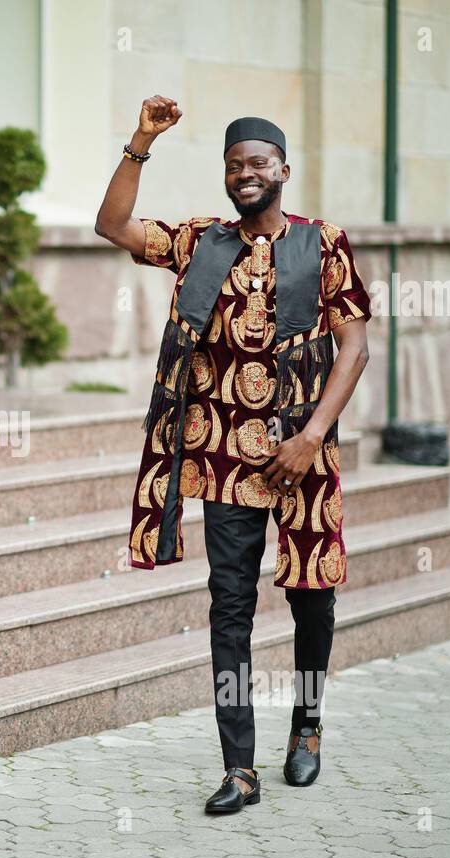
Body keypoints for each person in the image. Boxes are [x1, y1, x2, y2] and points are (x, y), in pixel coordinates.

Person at [94, 95, 373, 814]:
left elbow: (356, 345)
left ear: (283, 169)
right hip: (222, 458)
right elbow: (113, 225)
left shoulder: (325, 242)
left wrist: (312, 434)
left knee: (313, 600)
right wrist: (141, 141)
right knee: (230, 608)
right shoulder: (201, 241)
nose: (245, 174)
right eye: (234, 165)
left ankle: (307, 723)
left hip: (303, 457)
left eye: (257, 163)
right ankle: (239, 767)